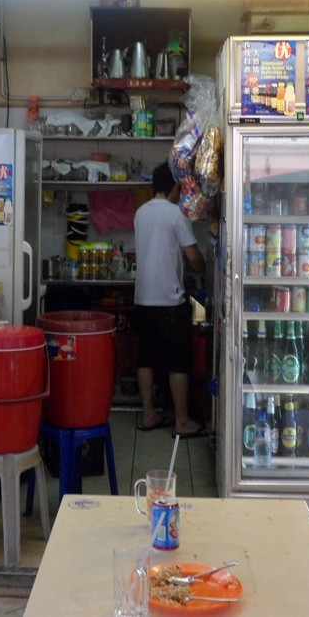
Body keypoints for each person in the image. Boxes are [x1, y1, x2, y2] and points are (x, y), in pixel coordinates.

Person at [133, 161, 207, 438]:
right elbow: (194, 257)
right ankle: (182, 421)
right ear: (176, 186)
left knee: (146, 358)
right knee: (179, 361)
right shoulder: (177, 215)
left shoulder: (140, 213)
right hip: (170, 301)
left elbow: (156, 253)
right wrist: (206, 271)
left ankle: (149, 414)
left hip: (143, 298)